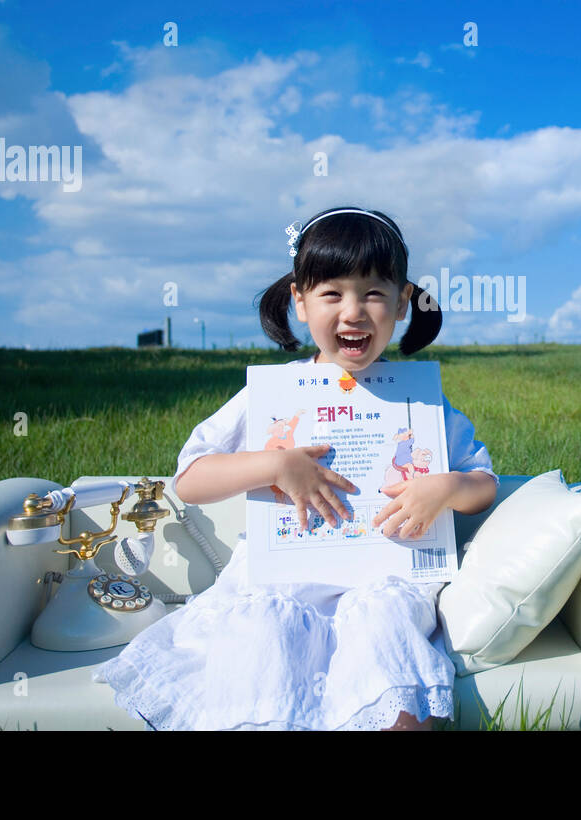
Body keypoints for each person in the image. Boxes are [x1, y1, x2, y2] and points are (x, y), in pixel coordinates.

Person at [91, 206, 499, 731]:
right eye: (331, 293)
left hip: (382, 581)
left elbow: (483, 483)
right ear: (300, 303)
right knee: (262, 653)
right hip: (283, 582)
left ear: (401, 304)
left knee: (389, 661)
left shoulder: (419, 403)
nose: (353, 311)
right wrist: (275, 464)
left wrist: (447, 487)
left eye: (373, 293)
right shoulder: (272, 395)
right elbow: (191, 479)